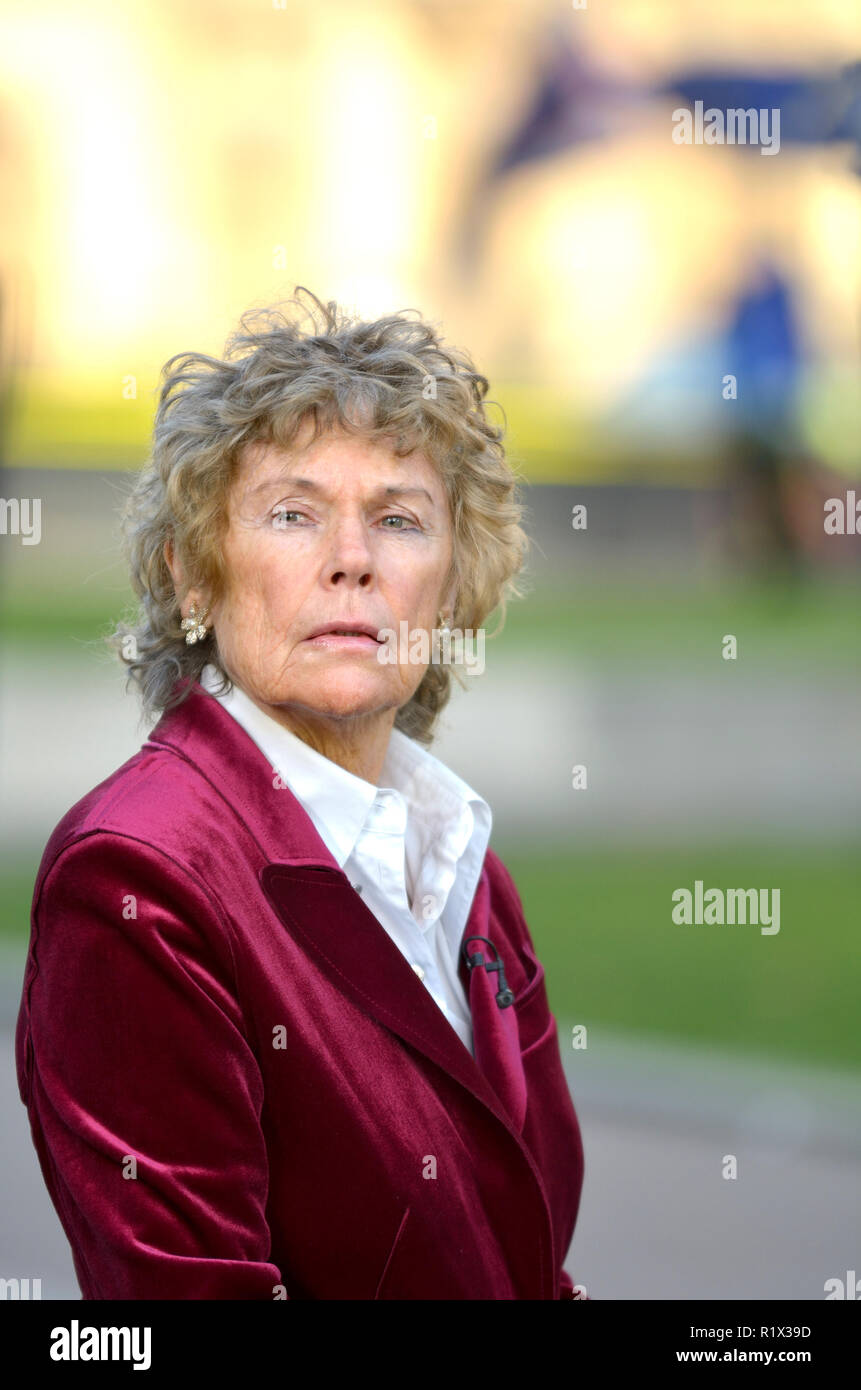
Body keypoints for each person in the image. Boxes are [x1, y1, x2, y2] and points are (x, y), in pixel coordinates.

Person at [15, 289, 586, 1299]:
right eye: (293, 513)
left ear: (453, 588)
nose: (353, 561)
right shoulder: (138, 872)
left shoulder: (463, 860)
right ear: (193, 575)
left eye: (400, 520)